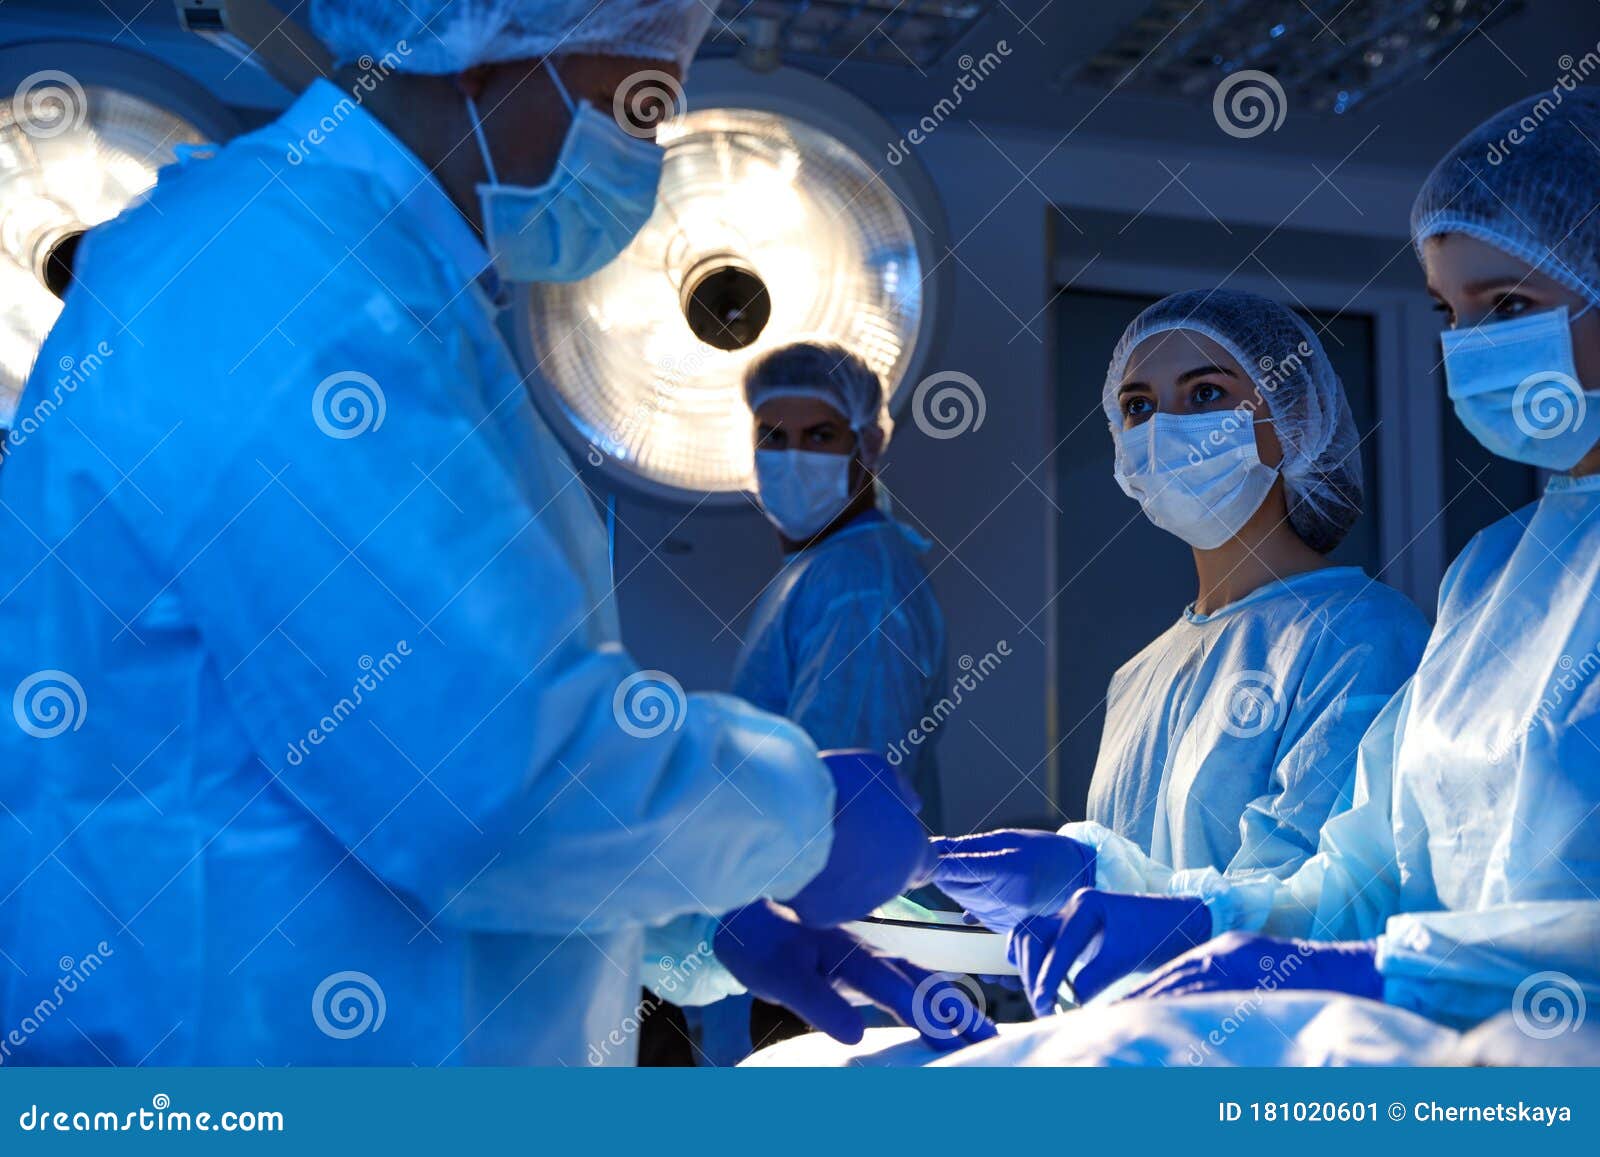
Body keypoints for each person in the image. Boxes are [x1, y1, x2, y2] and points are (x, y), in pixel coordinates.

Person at [0, 0, 990, 1066]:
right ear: (490, 47)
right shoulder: (286, 285)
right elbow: (481, 782)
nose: (644, 149)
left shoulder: (353, 276)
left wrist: (708, 928)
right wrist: (800, 814)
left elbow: (397, 765)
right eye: (638, 103)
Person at [1004, 89, 1600, 1024]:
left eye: (1511, 304)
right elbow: (1364, 879)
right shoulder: (1489, 578)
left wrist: (1390, 973)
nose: (1472, 349)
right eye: (1449, 311)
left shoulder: (1361, 633)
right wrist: (1187, 916)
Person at [934, 291, 1427, 938]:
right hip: (1134, 1028)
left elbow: (1324, 909)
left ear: (1292, 418)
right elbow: (1127, 886)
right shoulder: (1137, 675)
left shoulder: (1366, 636)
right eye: (1139, 406)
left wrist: (1108, 896)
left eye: (1205, 395)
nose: (1164, 429)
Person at [735, 340, 949, 829]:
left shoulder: (860, 586)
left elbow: (844, 806)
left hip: (840, 899)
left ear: (867, 444)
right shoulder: (823, 569)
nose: (792, 459)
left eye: (818, 436)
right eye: (772, 436)